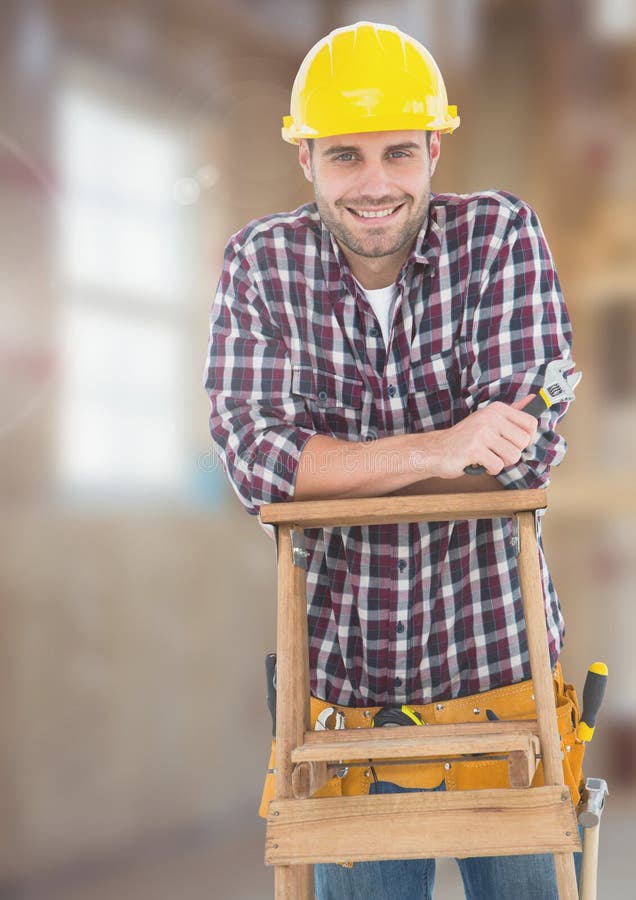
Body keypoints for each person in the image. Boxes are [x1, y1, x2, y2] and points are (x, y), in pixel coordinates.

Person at [205, 21, 583, 900]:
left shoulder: (498, 239)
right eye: (345, 157)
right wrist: (447, 445)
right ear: (305, 158)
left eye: (397, 155)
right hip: (343, 693)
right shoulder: (262, 264)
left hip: (505, 680)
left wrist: (334, 462)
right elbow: (259, 464)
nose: (375, 186)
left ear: (433, 149)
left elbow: (525, 455)